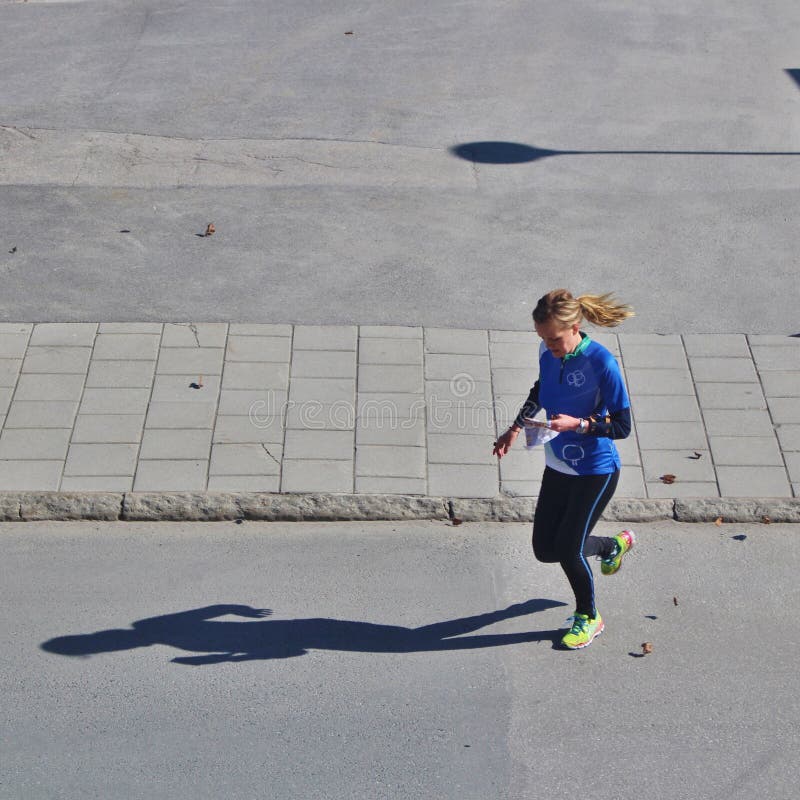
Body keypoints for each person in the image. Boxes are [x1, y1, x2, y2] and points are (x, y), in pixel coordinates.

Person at [493, 289, 636, 649]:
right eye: (543, 339)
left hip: (595, 470)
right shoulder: (548, 350)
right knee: (545, 548)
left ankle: (589, 616)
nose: (549, 347)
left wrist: (580, 425)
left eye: (555, 339)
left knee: (569, 549)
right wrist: (515, 427)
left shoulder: (602, 363)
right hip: (558, 464)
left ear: (575, 327)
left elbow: (621, 426)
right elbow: (542, 388)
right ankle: (611, 546)